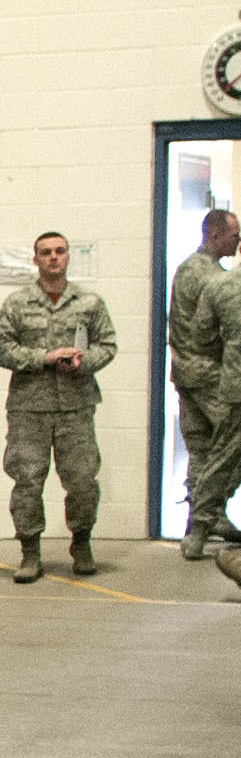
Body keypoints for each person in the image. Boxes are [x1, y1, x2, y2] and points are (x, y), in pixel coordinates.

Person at [0, 231, 116, 582]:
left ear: (68, 257)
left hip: (76, 406)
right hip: (29, 408)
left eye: (60, 251)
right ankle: (30, 552)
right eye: (46, 252)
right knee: (27, 481)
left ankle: (82, 543)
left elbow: (108, 345)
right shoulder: (17, 303)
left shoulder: (88, 302)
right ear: (36, 260)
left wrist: (83, 361)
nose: (53, 257)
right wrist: (44, 357)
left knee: (82, 481)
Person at [171, 210, 239, 557]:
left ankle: (201, 523)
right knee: (228, 450)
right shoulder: (213, 278)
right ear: (215, 235)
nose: (236, 241)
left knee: (201, 450)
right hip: (210, 374)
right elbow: (208, 334)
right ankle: (208, 516)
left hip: (186, 372)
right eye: (233, 235)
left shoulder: (187, 268)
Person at [184, 261, 241, 560]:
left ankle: (199, 532)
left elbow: (201, 337)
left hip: (236, 387)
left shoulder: (219, 286)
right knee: (222, 460)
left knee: (221, 460)